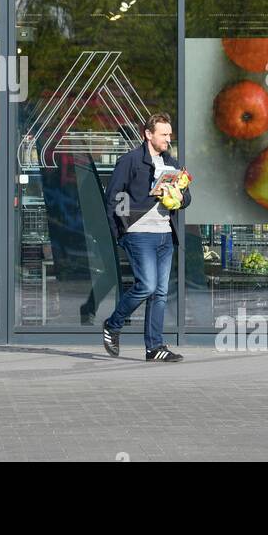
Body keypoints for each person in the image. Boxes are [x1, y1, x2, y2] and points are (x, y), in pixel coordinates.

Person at [101, 112, 186, 362]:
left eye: (170, 134)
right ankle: (113, 324)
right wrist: (120, 232)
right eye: (164, 134)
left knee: (159, 293)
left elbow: (187, 197)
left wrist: (180, 198)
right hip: (139, 234)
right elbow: (113, 197)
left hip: (165, 235)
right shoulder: (130, 161)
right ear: (148, 134)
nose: (168, 139)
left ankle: (154, 347)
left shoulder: (171, 163)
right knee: (146, 286)